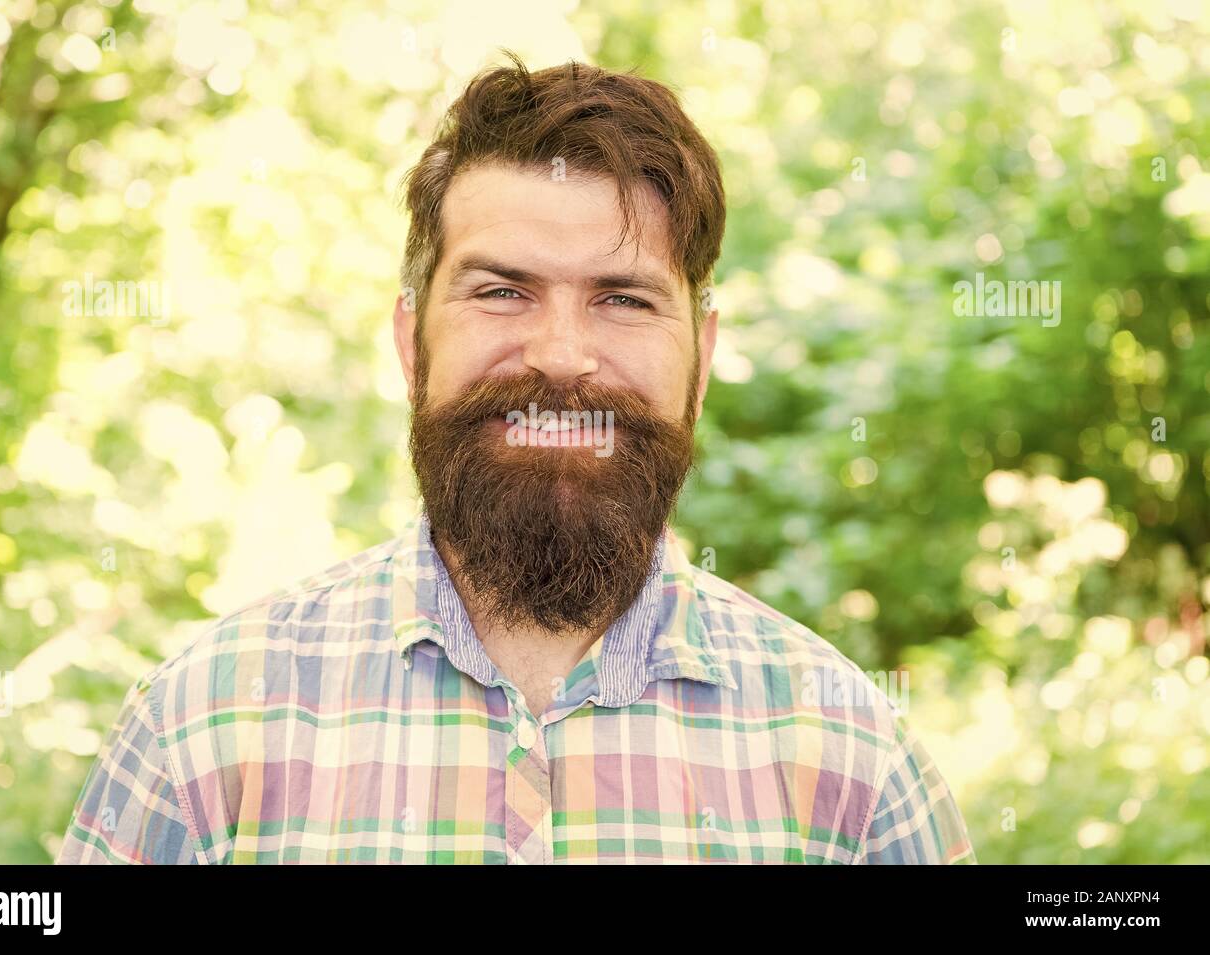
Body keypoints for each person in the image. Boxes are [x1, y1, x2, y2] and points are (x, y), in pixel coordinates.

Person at [57, 52, 976, 865]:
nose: (562, 353)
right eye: (501, 290)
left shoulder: (854, 763)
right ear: (412, 346)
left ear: (703, 360)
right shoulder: (203, 730)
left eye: (623, 300)